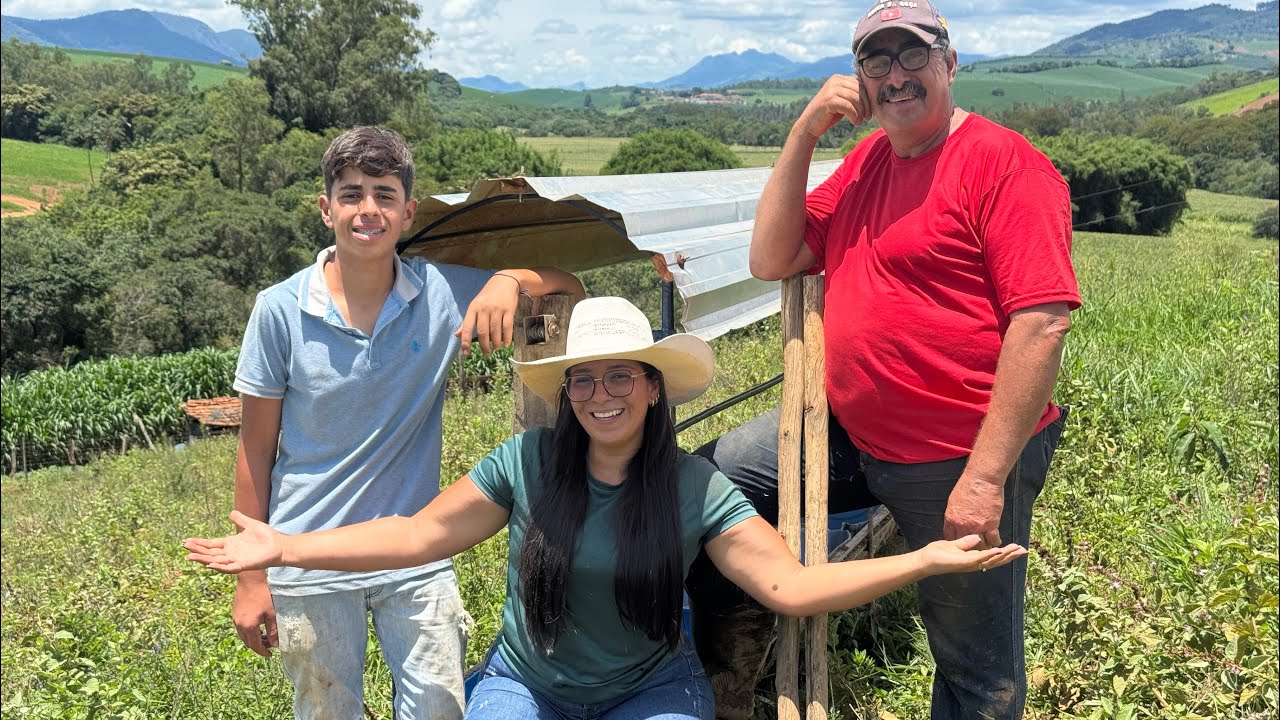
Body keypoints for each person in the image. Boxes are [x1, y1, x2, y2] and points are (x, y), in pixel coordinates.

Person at [186, 296, 1028, 720]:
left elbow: (788, 588)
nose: (600, 392)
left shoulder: (696, 488)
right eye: (583, 378)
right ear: (566, 393)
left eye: (622, 373)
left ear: (655, 389)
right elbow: (415, 534)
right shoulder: (525, 463)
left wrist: (923, 559)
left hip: (647, 689)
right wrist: (286, 547)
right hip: (528, 684)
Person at [683, 2, 1082, 718]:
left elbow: (1042, 324)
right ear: (859, 77)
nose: (895, 76)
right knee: (715, 479)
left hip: (954, 453)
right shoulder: (868, 160)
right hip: (854, 436)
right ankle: (731, 685)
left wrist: (986, 479)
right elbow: (771, 256)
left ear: (950, 65)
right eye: (877, 60)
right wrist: (804, 132)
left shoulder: (1004, 164)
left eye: (913, 56)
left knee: (973, 663)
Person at [228, 125, 584, 720]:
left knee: (439, 707)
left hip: (413, 549)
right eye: (351, 194)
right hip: (307, 550)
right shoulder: (280, 311)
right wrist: (251, 576)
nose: (368, 209)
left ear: (407, 210)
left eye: (384, 194)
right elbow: (255, 447)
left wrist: (507, 280)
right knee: (326, 712)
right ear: (326, 208)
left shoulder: (441, 293)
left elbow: (568, 285)